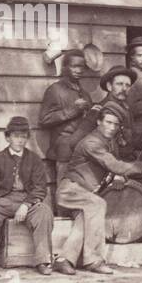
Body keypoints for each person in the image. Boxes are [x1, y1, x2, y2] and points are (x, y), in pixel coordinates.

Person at [55, 103, 142, 275]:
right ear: (99, 122)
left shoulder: (109, 141)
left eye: (115, 124)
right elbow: (114, 164)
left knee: (84, 219)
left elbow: (130, 145)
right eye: (108, 122)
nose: (112, 127)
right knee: (98, 205)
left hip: (83, 193)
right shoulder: (91, 142)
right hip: (70, 190)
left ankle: (64, 259)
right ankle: (93, 260)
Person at [0, 117, 54, 277]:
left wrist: (26, 205)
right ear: (8, 137)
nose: (20, 140)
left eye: (23, 136)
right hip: (3, 200)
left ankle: (42, 260)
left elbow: (39, 188)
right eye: (16, 136)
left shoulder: (34, 159)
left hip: (26, 200)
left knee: (44, 212)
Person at [38, 49, 92, 186]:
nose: (79, 70)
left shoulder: (85, 94)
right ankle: (62, 208)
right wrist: (73, 110)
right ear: (65, 68)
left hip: (83, 149)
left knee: (83, 187)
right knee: (64, 188)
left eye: (81, 66)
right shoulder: (55, 90)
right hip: (64, 149)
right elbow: (44, 120)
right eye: (74, 66)